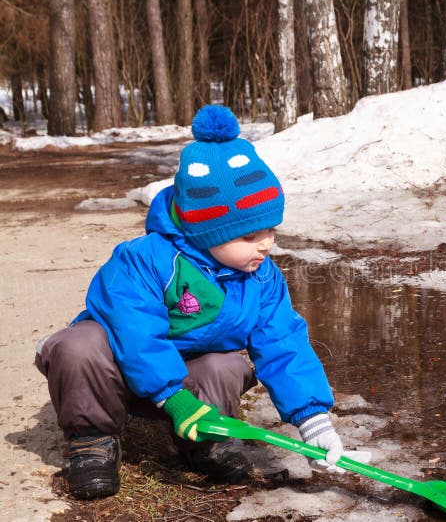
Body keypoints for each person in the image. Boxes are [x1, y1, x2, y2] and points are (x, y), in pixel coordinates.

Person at [35, 105, 345, 500]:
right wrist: (173, 399)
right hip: (122, 376)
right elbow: (135, 335)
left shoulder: (262, 277)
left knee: (226, 363)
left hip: (188, 379)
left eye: (270, 229)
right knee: (78, 346)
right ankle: (91, 440)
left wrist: (313, 421)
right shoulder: (143, 259)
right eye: (250, 236)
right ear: (207, 230)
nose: (267, 243)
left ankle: (205, 440)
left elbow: (285, 345)